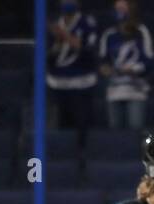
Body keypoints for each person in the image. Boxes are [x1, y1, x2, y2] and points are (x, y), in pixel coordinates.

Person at [46, 0, 99, 160]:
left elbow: (88, 50)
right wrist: (57, 42)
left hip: (81, 84)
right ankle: (63, 161)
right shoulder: (54, 25)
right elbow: (47, 55)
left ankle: (82, 161)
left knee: (82, 127)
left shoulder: (87, 23)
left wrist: (65, 35)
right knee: (61, 129)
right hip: (57, 83)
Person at [99, 0, 154, 132]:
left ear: (130, 10)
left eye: (123, 9)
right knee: (115, 133)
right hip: (114, 90)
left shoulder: (141, 31)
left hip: (136, 89)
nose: (120, 12)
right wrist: (105, 69)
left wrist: (133, 69)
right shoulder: (109, 35)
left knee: (135, 130)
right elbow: (103, 61)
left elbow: (149, 61)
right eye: (117, 9)